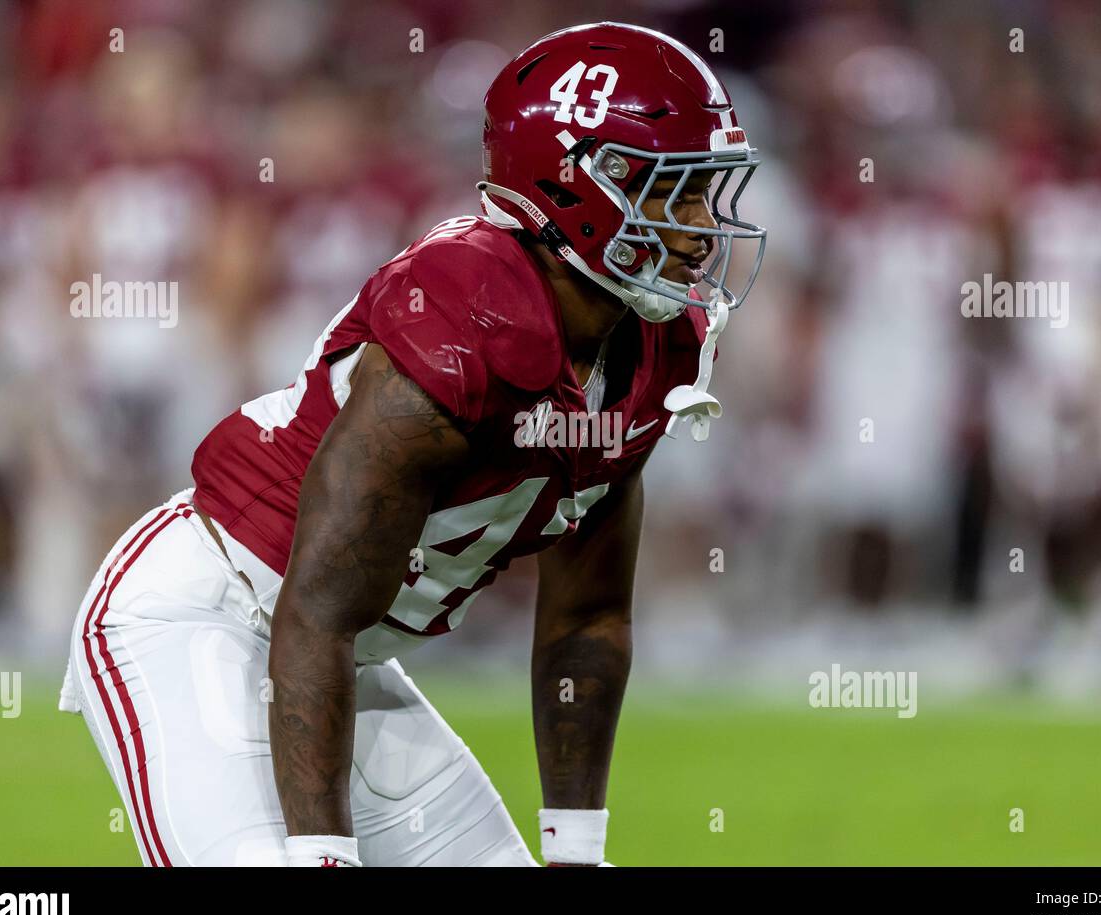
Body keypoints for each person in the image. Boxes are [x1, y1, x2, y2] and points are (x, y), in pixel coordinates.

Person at [58, 21, 766, 867]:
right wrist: (325, 853)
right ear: (580, 186)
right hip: (210, 614)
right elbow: (315, 608)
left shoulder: (655, 342)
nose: (701, 231)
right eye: (672, 194)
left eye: (706, 193)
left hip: (343, 655)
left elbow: (587, 615)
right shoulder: (470, 316)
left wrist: (576, 848)